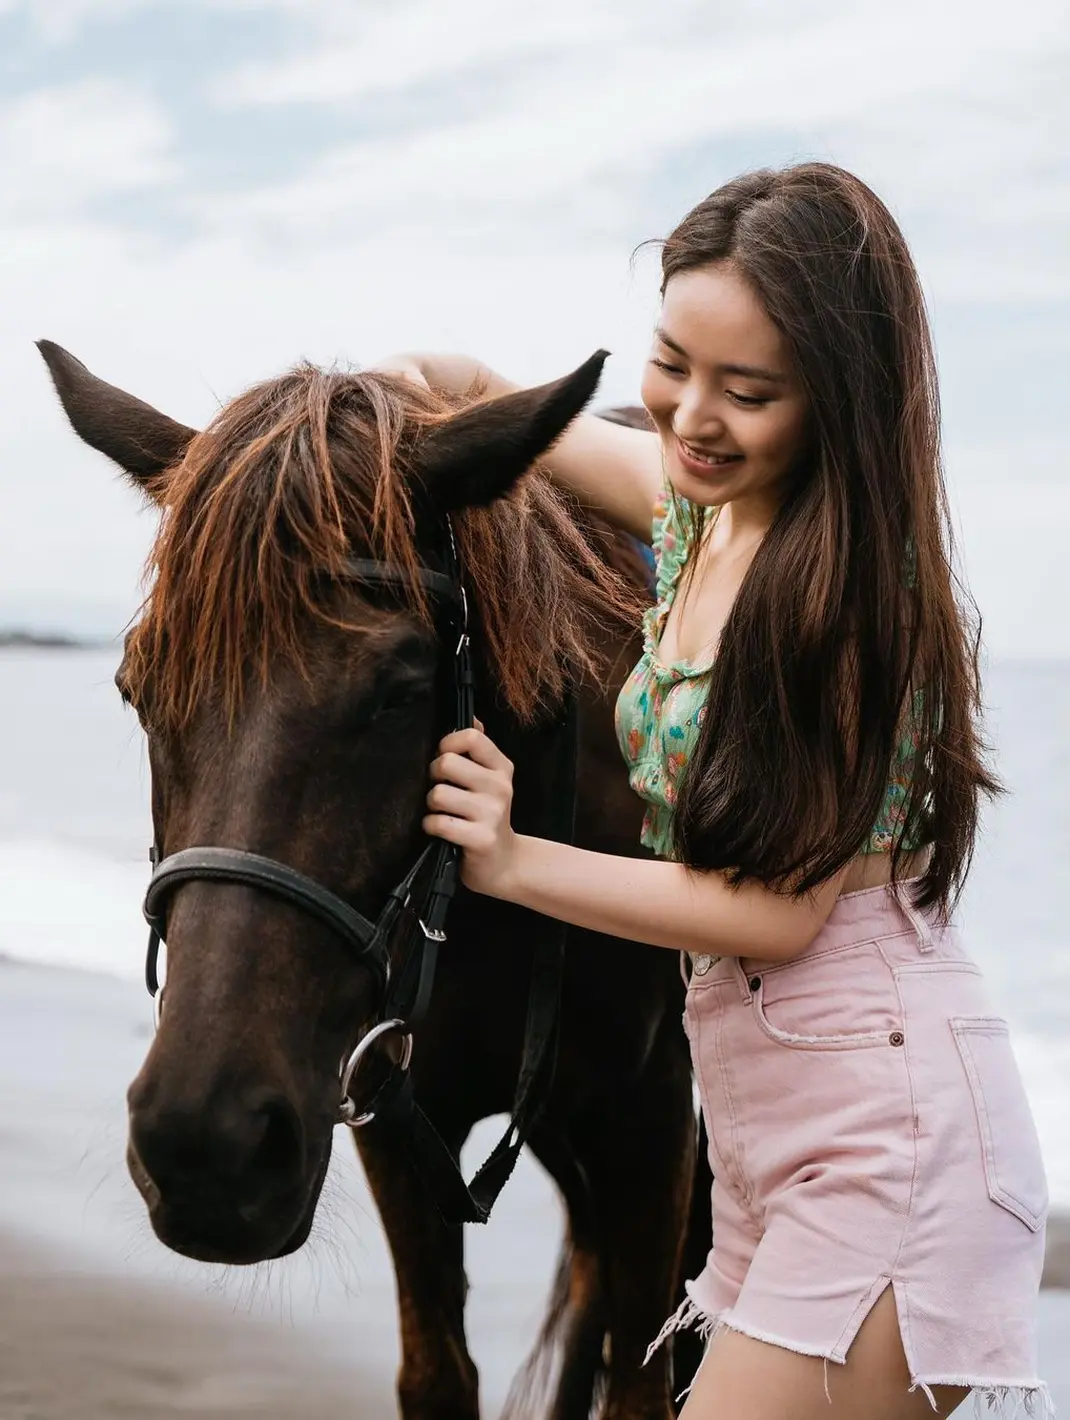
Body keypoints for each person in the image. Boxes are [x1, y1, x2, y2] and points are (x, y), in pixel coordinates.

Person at [373, 163, 1051, 1420]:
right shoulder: (708, 519)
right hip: (766, 1137)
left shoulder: (841, 601)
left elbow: (775, 913)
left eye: (747, 391)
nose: (689, 417)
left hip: (885, 1136)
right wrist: (449, 387)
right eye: (671, 361)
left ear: (839, 401)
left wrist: (514, 859)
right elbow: (565, 442)